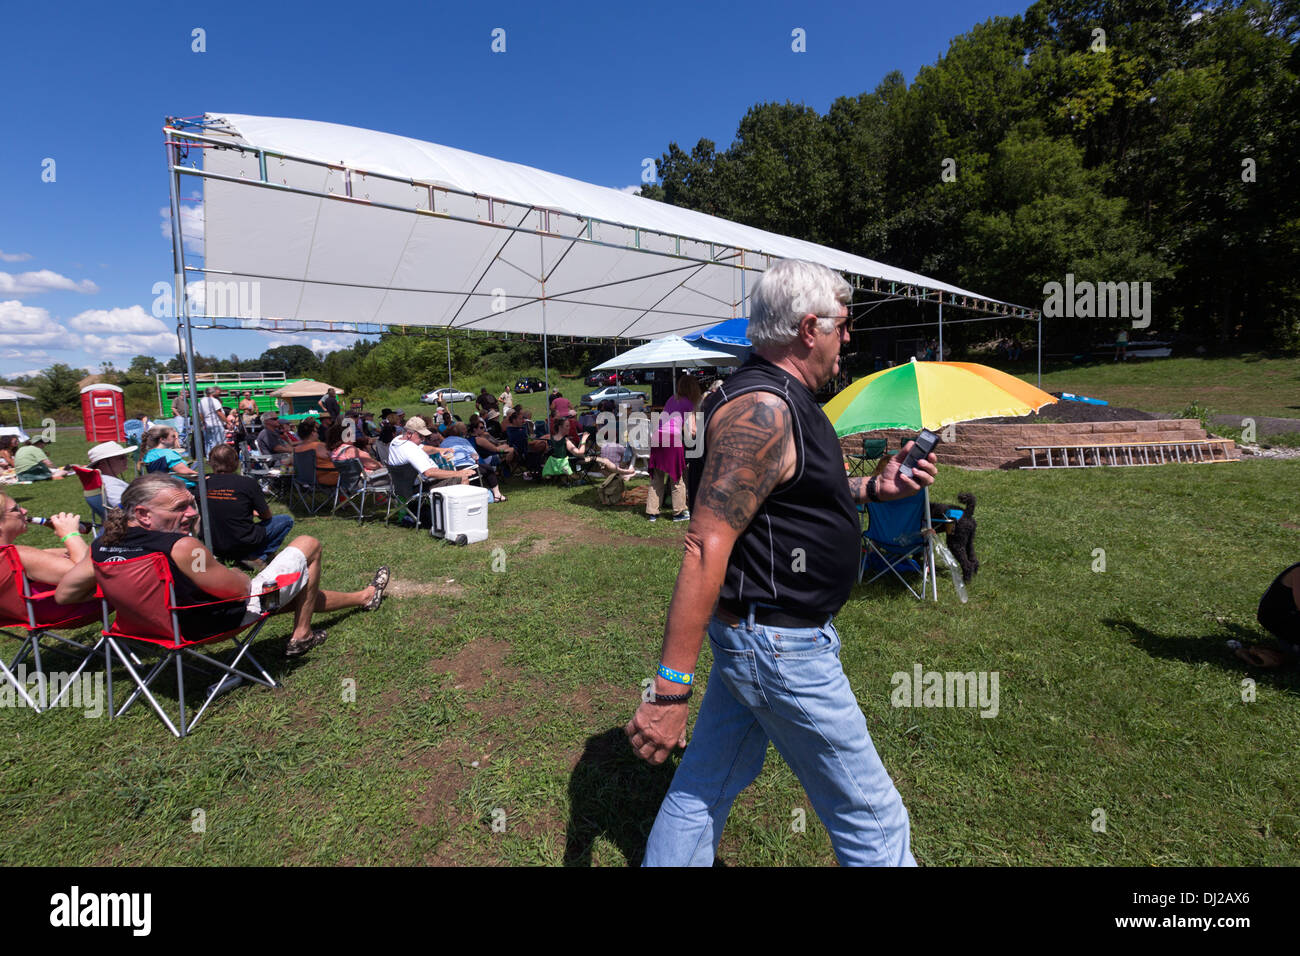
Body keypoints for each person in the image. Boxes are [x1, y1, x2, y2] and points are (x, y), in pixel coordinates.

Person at [624, 258, 937, 867]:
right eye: (844, 326)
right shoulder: (762, 408)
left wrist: (875, 489)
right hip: (779, 645)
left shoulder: (775, 396)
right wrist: (668, 694)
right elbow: (704, 543)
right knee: (873, 819)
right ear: (809, 327)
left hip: (758, 636)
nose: (848, 339)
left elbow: (795, 493)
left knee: (704, 788)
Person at [55, 475, 386, 657]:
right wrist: (238, 572)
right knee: (308, 545)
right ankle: (302, 633)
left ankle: (363, 596)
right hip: (216, 623)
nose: (191, 513)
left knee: (300, 589)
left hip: (155, 629)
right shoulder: (182, 547)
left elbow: (66, 595)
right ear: (143, 514)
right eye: (179, 508)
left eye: (191, 505)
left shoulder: (103, 546)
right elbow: (241, 590)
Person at [0, 492, 90, 591]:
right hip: (64, 606)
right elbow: (85, 574)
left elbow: (41, 556)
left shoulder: (10, 555)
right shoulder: (18, 555)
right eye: (16, 509)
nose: (25, 511)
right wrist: (70, 533)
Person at [645, 374, 702, 522]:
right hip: (672, 439)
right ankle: (679, 512)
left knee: (657, 476)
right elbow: (693, 430)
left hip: (657, 437)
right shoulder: (689, 403)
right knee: (677, 476)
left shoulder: (672, 398)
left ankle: (652, 512)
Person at [386, 418, 477, 487]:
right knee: (462, 478)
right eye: (421, 436)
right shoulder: (411, 449)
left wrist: (439, 450)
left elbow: (422, 448)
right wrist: (459, 473)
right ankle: (459, 510)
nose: (423, 439)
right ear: (409, 434)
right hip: (422, 486)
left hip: (402, 486)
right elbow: (429, 472)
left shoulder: (397, 441)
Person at [442, 423, 506, 502]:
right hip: (468, 467)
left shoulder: (443, 443)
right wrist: (474, 460)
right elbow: (475, 455)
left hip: (455, 469)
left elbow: (448, 458)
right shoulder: (463, 441)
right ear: (461, 432)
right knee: (488, 469)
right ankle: (497, 495)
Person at [87, 440, 138, 509]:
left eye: (126, 456)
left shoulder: (105, 480)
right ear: (103, 463)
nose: (126, 460)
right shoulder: (110, 485)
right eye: (121, 458)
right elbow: (129, 509)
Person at [294, 419, 337, 487]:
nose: (317, 434)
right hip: (326, 478)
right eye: (317, 432)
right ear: (312, 433)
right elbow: (337, 457)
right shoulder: (319, 446)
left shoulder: (296, 450)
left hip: (305, 480)